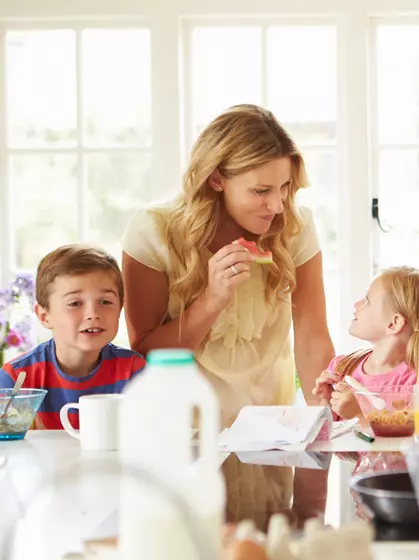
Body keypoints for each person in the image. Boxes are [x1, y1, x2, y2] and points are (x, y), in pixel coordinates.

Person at [120, 104, 334, 528]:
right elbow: (145, 352)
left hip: (271, 434)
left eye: (285, 187)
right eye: (260, 191)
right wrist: (212, 299)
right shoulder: (152, 231)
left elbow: (312, 336)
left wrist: (322, 426)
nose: (276, 204)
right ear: (217, 178)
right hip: (188, 439)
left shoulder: (295, 226)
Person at [0, 245, 145, 429]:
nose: (93, 313)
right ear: (45, 316)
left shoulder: (135, 372)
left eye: (105, 302)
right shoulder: (15, 379)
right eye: (75, 303)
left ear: (120, 309)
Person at [313, 266, 419, 425]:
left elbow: (409, 445)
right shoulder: (342, 367)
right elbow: (328, 436)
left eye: (367, 300)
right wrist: (325, 401)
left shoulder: (417, 386)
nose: (357, 304)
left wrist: (357, 415)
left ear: (393, 324)